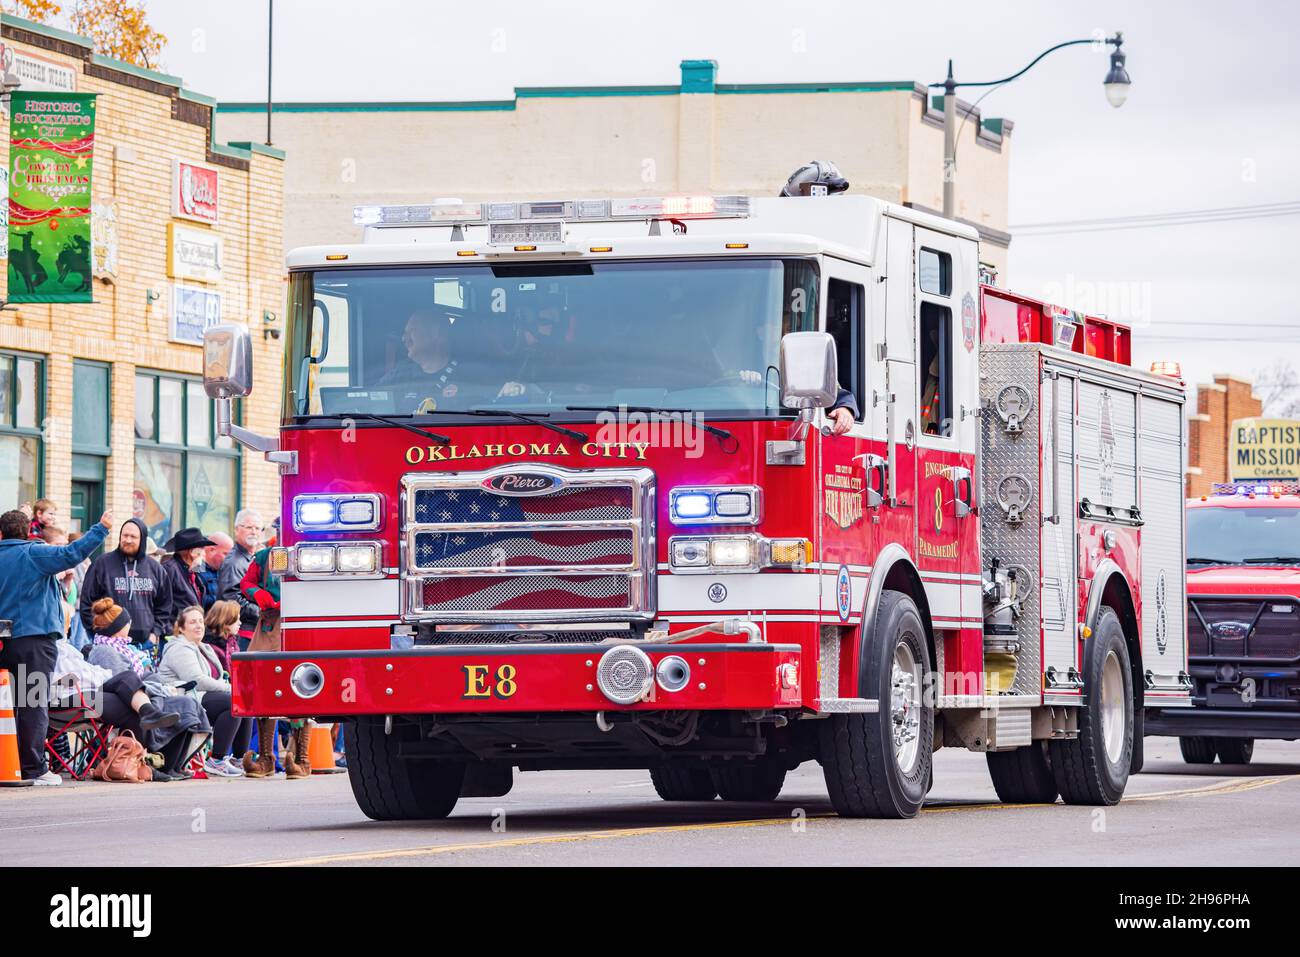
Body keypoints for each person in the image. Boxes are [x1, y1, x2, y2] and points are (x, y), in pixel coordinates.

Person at [0, 507, 110, 785]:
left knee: (7, 706)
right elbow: (71, 554)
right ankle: (33, 769)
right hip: (34, 640)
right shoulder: (32, 553)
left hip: (4, 640)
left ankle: (9, 765)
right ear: (27, 532)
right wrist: (101, 528)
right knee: (32, 703)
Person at [238, 544, 311, 779]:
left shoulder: (311, 550)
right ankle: (266, 758)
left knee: (301, 689)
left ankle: (302, 759)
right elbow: (246, 583)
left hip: (301, 626)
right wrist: (257, 594)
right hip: (269, 626)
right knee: (263, 688)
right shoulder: (263, 556)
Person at [157, 605, 250, 778]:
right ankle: (216, 760)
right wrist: (230, 689)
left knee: (244, 702)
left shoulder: (204, 647)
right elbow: (197, 680)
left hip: (200, 697)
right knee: (232, 702)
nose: (199, 625)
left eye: (200, 621)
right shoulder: (179, 648)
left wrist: (232, 688)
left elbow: (218, 676)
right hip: (183, 698)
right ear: (182, 628)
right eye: (193, 622)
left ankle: (239, 758)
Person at [77, 518, 169, 653]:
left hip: (145, 645)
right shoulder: (102, 564)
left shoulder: (155, 569)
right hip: (109, 644)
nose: (128, 540)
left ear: (142, 539)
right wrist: (96, 632)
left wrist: (155, 633)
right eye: (125, 535)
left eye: (133, 536)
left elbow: (165, 606)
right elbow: (87, 602)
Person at [218, 509, 261, 651]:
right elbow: (231, 599)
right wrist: (261, 611)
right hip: (242, 634)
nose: (254, 532)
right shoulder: (234, 563)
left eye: (257, 528)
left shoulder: (253, 558)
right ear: (237, 530)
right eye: (249, 527)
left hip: (254, 631)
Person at [159, 527, 215, 631]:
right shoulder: (170, 570)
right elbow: (161, 604)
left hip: (189, 635)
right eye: (202, 548)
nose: (204, 553)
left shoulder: (193, 571)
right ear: (192, 552)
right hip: (174, 636)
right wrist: (169, 632)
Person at [203, 599, 241, 675]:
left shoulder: (232, 642)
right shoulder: (210, 648)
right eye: (236, 619)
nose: (240, 623)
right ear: (225, 621)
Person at [197, 532, 233, 610]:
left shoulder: (225, 570)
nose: (229, 559)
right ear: (211, 550)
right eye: (226, 554)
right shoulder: (197, 569)